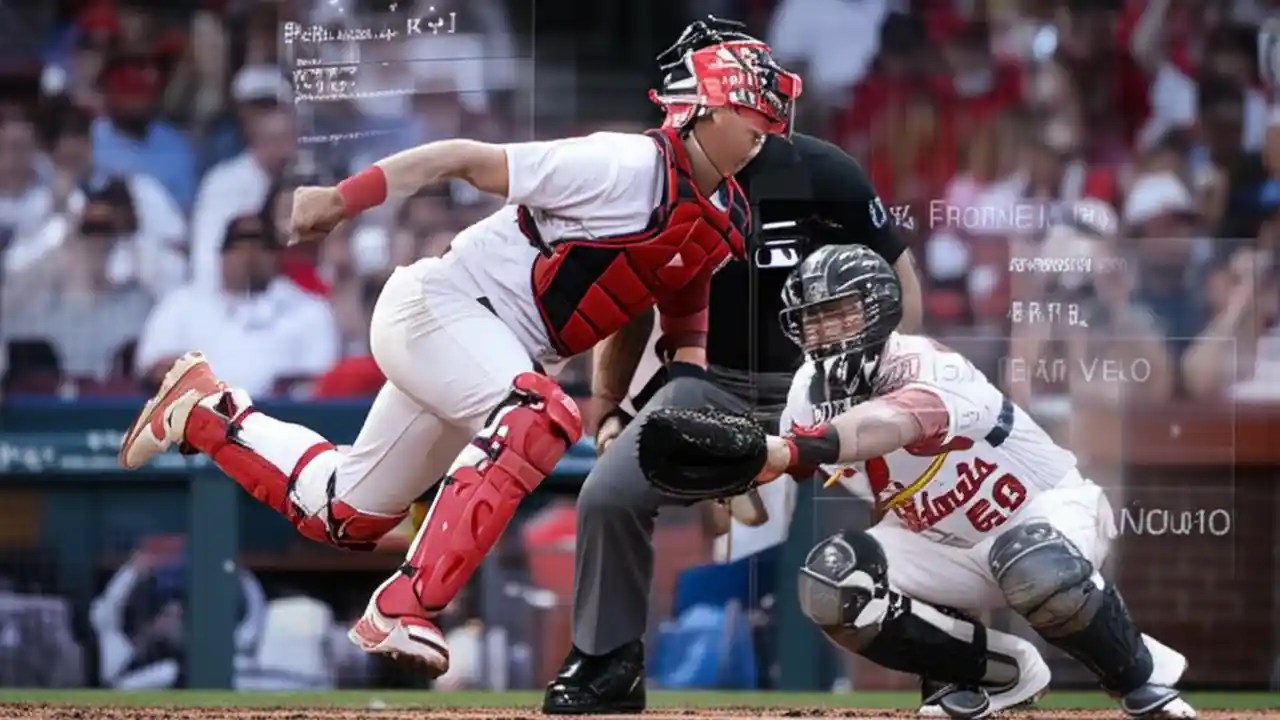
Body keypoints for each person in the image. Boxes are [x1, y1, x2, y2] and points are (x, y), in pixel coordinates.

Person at [115, 31, 801, 678]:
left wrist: (655, 400)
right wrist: (342, 199)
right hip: (441, 308)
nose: (766, 125)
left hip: (494, 350)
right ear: (709, 106)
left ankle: (205, 410)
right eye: (755, 110)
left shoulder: (726, 218)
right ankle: (402, 608)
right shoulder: (623, 164)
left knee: (345, 514)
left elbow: (670, 310)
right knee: (537, 413)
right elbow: (464, 157)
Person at [541, 17, 921, 715]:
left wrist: (889, 382)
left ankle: (955, 658)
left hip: (824, 386)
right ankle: (607, 662)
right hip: (708, 384)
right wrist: (609, 401)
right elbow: (629, 301)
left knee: (926, 486)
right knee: (608, 495)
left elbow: (902, 286)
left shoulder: (821, 169)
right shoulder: (652, 177)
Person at [668, 244, 1196, 720]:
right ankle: (989, 673)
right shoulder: (808, 389)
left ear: (880, 309)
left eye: (840, 314)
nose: (826, 333)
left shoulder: (928, 363)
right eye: (813, 321)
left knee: (1032, 562)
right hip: (941, 542)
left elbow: (891, 423)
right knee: (830, 582)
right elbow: (770, 493)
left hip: (1044, 515)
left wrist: (787, 449)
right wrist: (732, 480)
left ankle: (1139, 677)